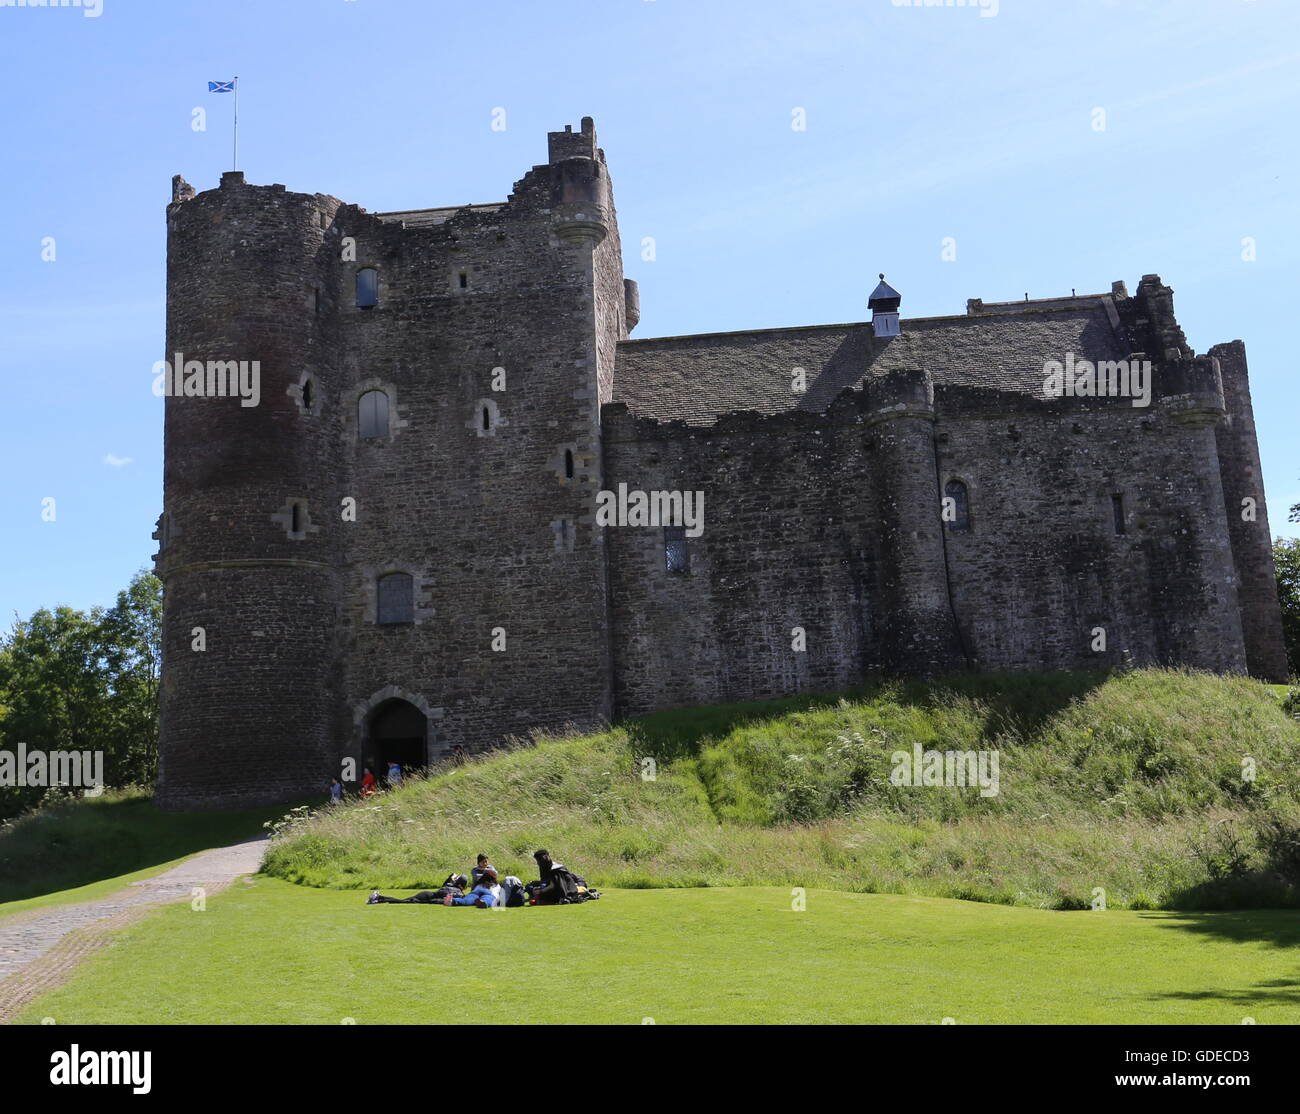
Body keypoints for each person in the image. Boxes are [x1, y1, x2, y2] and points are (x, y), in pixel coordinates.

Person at [368, 873, 468, 905]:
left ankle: (378, 898)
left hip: (426, 894)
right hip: (428, 898)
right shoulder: (459, 893)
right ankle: (377, 899)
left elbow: (446, 883)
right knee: (403, 902)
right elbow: (444, 899)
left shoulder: (449, 885)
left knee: (404, 901)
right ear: (462, 886)